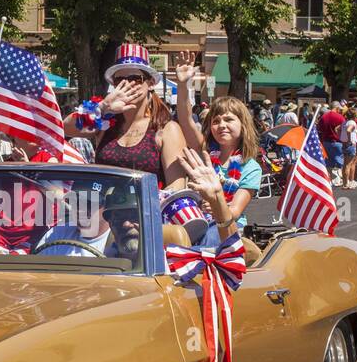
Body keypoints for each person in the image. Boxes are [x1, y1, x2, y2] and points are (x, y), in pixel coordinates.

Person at [65, 43, 187, 186]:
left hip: (148, 207)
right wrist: (103, 107)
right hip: (104, 207)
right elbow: (65, 127)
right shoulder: (105, 123)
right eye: (119, 80)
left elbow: (177, 186)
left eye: (135, 78)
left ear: (151, 83)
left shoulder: (167, 129)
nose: (127, 84)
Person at [172, 52, 262, 227]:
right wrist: (183, 85)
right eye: (216, 121)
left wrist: (215, 204)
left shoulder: (251, 168)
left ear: (243, 125)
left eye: (228, 120)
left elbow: (234, 212)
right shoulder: (203, 150)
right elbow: (185, 119)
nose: (221, 125)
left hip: (229, 232)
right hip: (196, 225)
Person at [316, 103, 346, 185]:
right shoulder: (340, 117)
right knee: (339, 161)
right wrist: (344, 142)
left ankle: (329, 180)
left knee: (328, 162)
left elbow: (319, 130)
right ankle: (337, 179)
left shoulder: (323, 117)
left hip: (326, 142)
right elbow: (344, 132)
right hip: (337, 142)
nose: (340, 110)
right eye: (339, 109)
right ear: (336, 108)